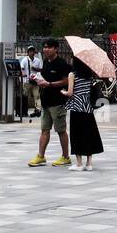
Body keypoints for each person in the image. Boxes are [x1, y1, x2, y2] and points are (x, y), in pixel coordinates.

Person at [28, 39, 72, 167]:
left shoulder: (62, 64)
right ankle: (41, 156)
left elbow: (66, 81)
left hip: (58, 102)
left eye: (48, 47)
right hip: (46, 102)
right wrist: (37, 79)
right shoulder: (46, 62)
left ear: (56, 49)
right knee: (44, 129)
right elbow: (44, 78)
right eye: (44, 47)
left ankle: (65, 157)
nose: (45, 50)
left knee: (61, 130)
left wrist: (50, 84)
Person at [63, 58, 104, 171]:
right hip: (88, 109)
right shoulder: (89, 75)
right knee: (88, 134)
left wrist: (63, 92)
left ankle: (79, 164)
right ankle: (89, 164)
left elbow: (70, 93)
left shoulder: (72, 74)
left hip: (77, 108)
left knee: (77, 135)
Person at [19, 45, 42, 118]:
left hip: (35, 81)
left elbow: (40, 69)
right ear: (28, 53)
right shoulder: (25, 60)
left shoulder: (37, 60)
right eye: (30, 51)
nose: (31, 53)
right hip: (27, 81)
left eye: (33, 51)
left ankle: (38, 110)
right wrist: (24, 75)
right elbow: (22, 69)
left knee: (37, 96)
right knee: (26, 96)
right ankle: (24, 111)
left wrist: (35, 69)